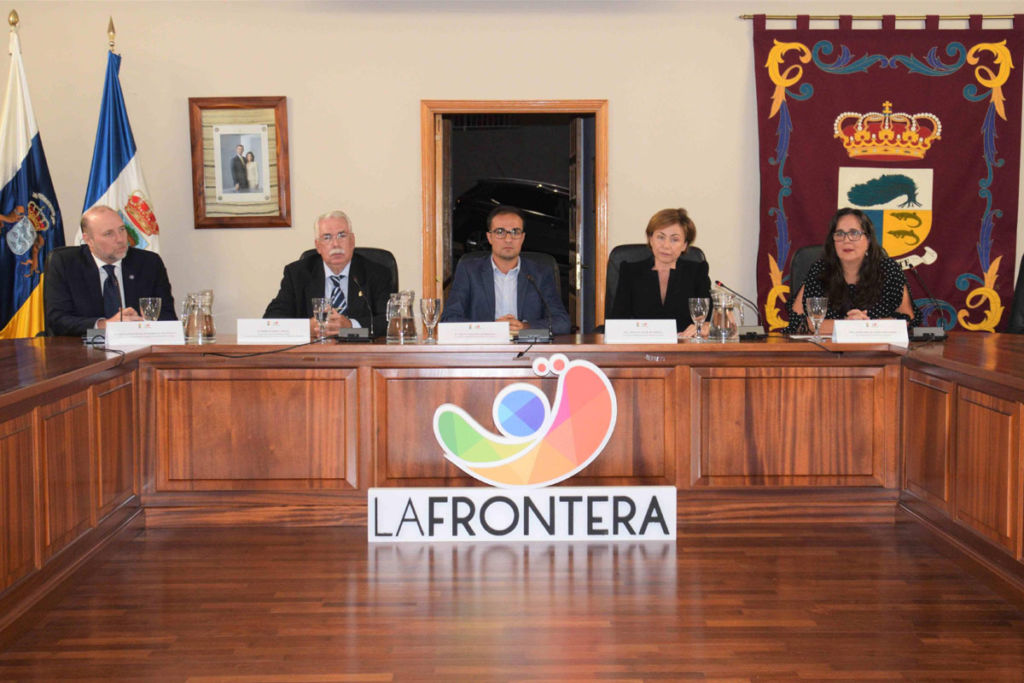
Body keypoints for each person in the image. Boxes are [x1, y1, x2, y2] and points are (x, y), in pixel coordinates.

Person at [44, 205, 177, 336]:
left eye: (122, 230)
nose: (120, 239)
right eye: (109, 234)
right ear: (88, 240)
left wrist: (142, 324)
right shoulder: (65, 263)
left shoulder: (148, 263)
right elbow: (57, 320)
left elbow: (167, 316)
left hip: (137, 350)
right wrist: (105, 324)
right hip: (82, 352)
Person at [786, 207, 920, 335]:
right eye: (840, 234)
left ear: (868, 240)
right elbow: (797, 322)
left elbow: (908, 320)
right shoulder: (820, 271)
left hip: (877, 354)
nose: (846, 240)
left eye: (854, 233)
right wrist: (846, 326)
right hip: (827, 354)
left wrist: (865, 327)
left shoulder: (889, 270)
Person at [440, 205, 570, 335]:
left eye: (515, 232)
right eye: (500, 232)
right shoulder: (469, 271)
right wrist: (492, 329)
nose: (508, 239)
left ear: (522, 237)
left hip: (528, 349)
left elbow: (562, 323)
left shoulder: (540, 273)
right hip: (484, 350)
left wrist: (525, 327)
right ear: (489, 237)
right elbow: (449, 320)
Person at [264, 210, 392, 337]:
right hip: (312, 354)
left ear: (352, 241)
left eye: (342, 235)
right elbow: (272, 319)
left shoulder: (377, 274)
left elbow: (389, 322)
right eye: (327, 237)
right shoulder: (297, 274)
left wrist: (350, 326)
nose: (336, 244)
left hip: (361, 354)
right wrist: (307, 327)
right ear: (318, 246)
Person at [609, 207, 711, 337]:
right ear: (651, 239)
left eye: (675, 239)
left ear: (685, 245)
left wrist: (706, 326)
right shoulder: (630, 272)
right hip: (640, 348)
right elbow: (618, 322)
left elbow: (707, 318)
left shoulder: (697, 272)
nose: (666, 245)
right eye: (660, 237)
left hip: (684, 349)